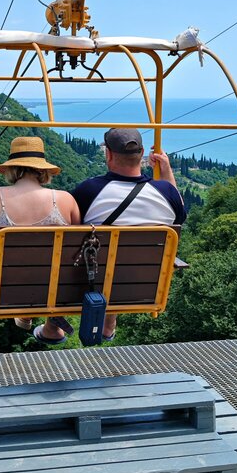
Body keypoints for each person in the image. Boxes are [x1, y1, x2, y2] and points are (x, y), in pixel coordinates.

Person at [34, 127, 186, 344]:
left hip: (88, 284)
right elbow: (179, 214)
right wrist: (166, 170)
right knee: (116, 261)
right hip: (144, 286)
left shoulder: (90, 190)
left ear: (109, 154)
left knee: (78, 250)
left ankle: (53, 327)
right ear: (142, 153)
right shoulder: (166, 193)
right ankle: (109, 323)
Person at [0, 135, 81, 337]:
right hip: (52, 287)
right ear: (43, 170)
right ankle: (26, 314)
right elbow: (76, 248)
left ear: (12, 169)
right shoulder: (66, 199)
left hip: (4, 287)